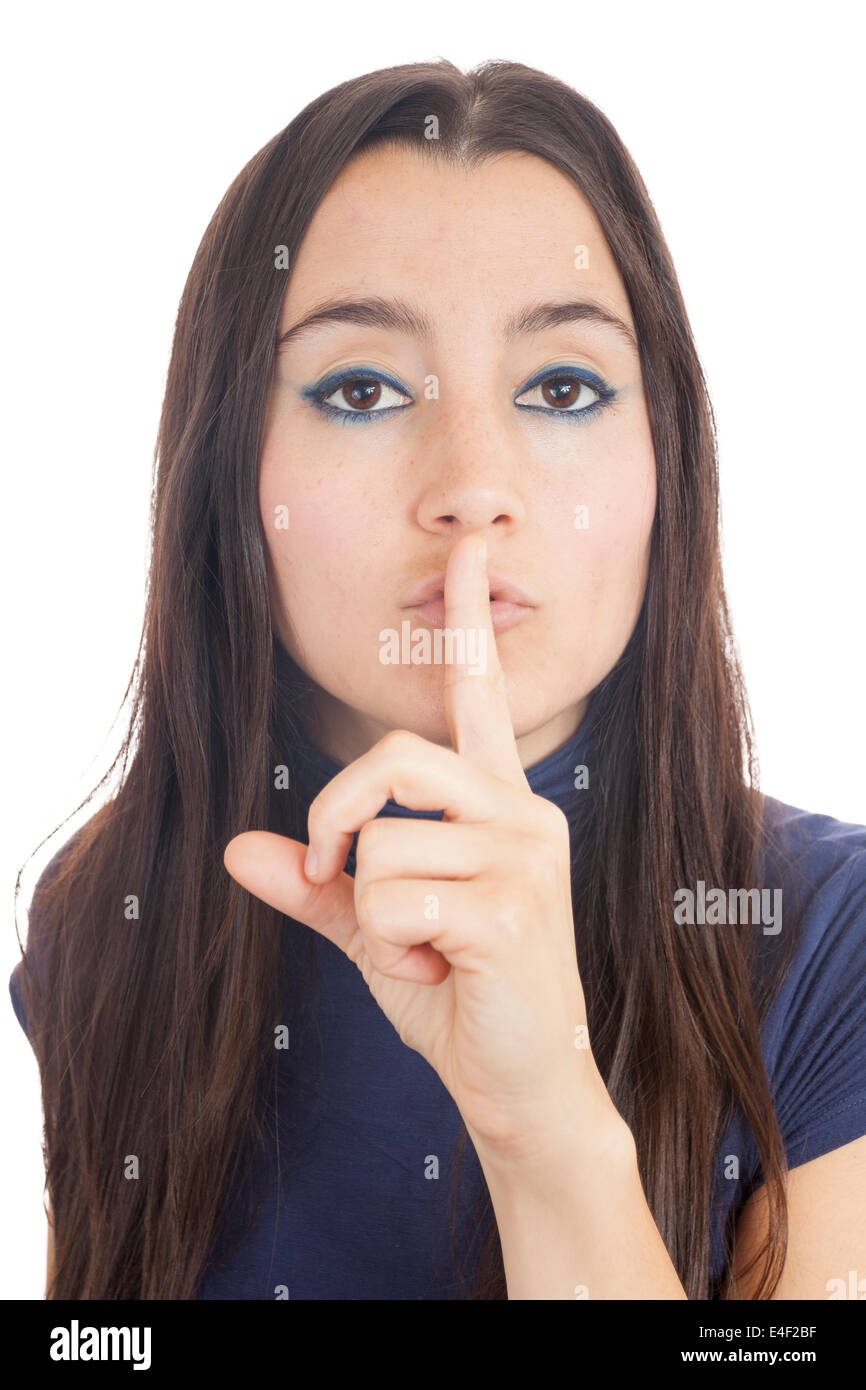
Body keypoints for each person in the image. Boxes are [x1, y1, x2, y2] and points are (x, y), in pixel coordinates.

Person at [10, 57, 866, 1301]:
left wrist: (542, 1120)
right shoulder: (112, 910)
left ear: (662, 465)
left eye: (561, 388)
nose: (473, 481)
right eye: (360, 389)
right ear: (229, 479)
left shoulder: (824, 935)